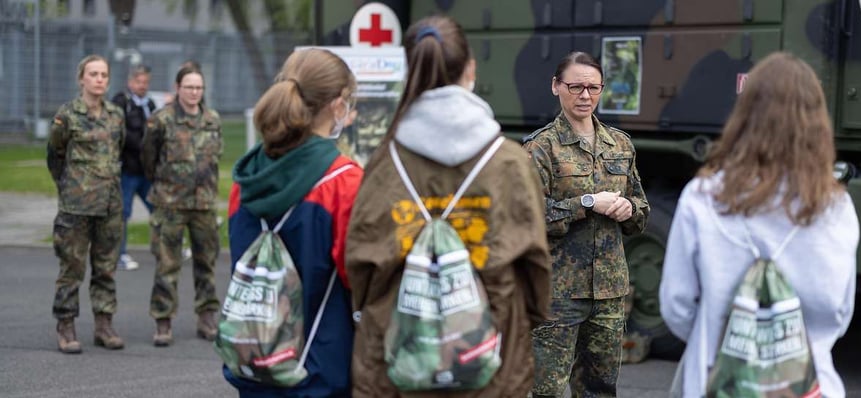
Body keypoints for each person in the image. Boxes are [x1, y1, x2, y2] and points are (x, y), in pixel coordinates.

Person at [345, 15, 552, 397]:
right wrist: (522, 322)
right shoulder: (509, 161)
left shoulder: (385, 162)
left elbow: (361, 264)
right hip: (493, 354)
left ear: (410, 70)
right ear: (470, 69)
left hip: (399, 355)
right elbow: (536, 265)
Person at [658, 52, 859, 398]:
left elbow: (677, 306)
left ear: (744, 115)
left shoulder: (703, 197)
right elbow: (839, 313)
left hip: (718, 383)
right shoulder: (836, 206)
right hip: (810, 386)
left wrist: (720, 338)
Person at [225, 48, 363, 397]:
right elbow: (360, 280)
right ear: (337, 105)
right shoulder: (344, 182)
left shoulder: (245, 180)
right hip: (319, 370)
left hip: (256, 362)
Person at [522, 51, 649, 398]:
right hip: (558, 292)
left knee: (600, 389)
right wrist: (587, 203)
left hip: (609, 291)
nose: (585, 96)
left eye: (593, 87)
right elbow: (530, 218)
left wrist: (629, 208)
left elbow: (641, 210)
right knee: (546, 390)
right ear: (556, 86)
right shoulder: (540, 147)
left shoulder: (620, 144)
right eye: (575, 87)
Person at [46, 54, 126, 353]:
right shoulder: (67, 115)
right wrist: (71, 187)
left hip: (109, 205)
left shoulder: (116, 114)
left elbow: (118, 149)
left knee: (106, 268)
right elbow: (55, 155)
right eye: (93, 74)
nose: (99, 79)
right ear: (81, 79)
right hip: (76, 207)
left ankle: (104, 325)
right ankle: (66, 325)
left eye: (103, 74)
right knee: (72, 267)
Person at [141, 65, 222, 346]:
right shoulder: (161, 120)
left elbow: (215, 159)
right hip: (170, 203)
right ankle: (163, 320)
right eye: (189, 87)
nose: (194, 92)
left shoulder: (212, 119)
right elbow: (148, 158)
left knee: (206, 262)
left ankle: (207, 317)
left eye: (198, 87)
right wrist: (165, 183)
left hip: (204, 204)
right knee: (167, 264)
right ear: (178, 88)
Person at [111, 64, 157, 271]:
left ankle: (166, 248)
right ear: (130, 82)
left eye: (146, 82)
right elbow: (120, 132)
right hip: (127, 171)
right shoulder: (122, 103)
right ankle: (119, 254)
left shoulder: (150, 105)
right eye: (139, 82)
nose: (142, 86)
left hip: (146, 171)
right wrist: (141, 143)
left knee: (159, 208)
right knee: (122, 213)